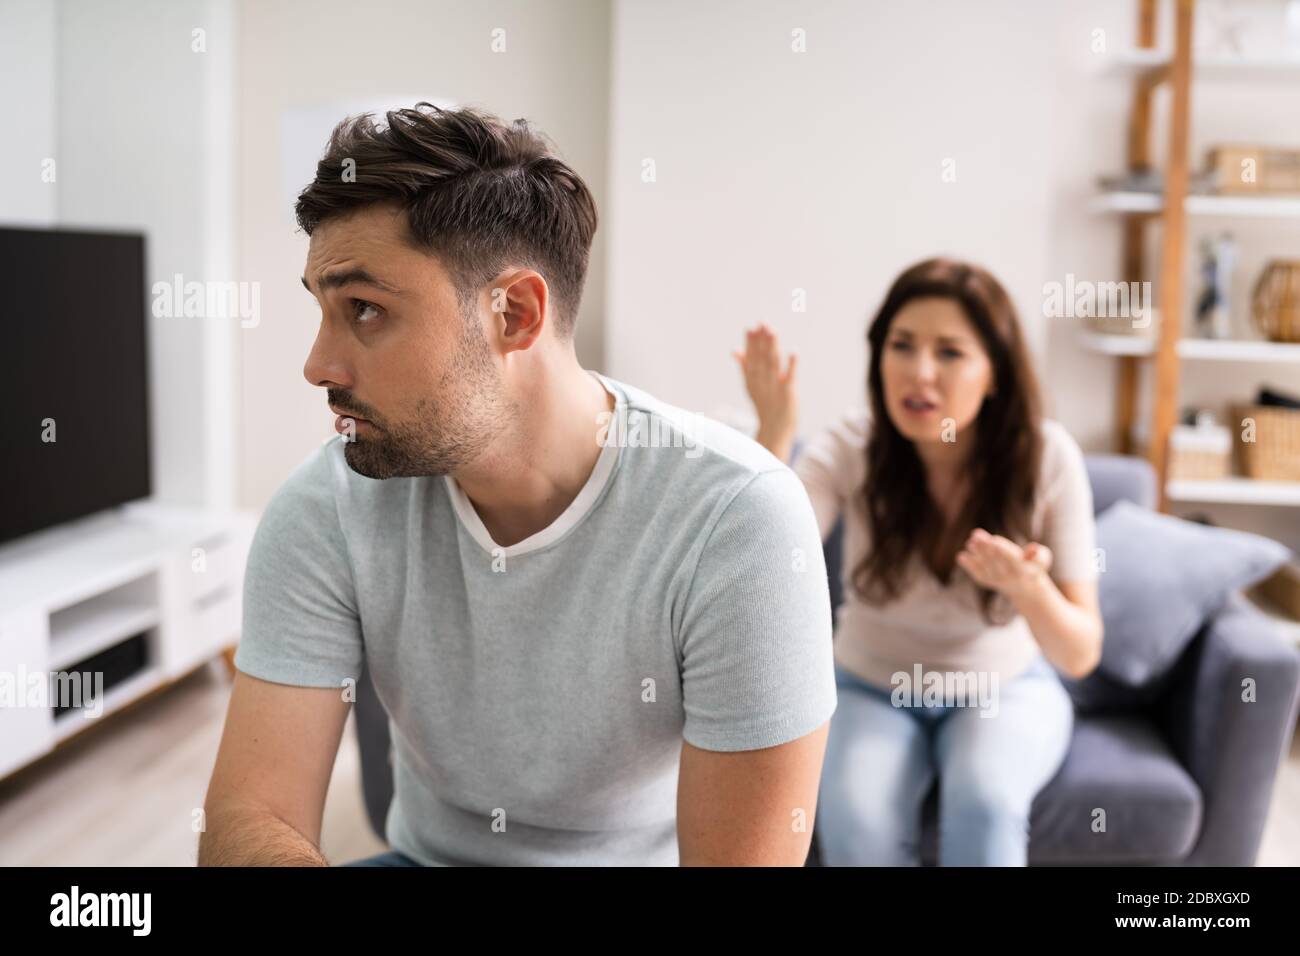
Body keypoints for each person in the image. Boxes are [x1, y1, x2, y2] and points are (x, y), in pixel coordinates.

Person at [198, 103, 838, 867]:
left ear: (516, 312)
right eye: (323, 309)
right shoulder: (326, 506)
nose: (318, 365)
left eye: (364, 309)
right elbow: (249, 816)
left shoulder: (739, 519)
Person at [734, 258, 1102, 866]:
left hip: (1002, 687)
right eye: (901, 346)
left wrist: (1032, 592)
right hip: (869, 685)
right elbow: (759, 562)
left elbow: (1080, 652)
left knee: (985, 805)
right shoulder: (853, 446)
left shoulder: (1049, 458)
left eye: (950, 352)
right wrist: (775, 435)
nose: (919, 372)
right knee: (858, 823)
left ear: (995, 374)